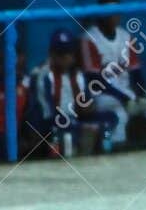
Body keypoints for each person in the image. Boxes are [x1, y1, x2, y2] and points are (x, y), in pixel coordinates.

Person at [82, 0, 146, 143]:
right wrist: (123, 99)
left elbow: (136, 72)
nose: (114, 16)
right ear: (100, 15)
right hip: (103, 95)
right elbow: (94, 79)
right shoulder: (88, 39)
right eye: (109, 12)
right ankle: (117, 154)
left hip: (129, 92)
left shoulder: (126, 37)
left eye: (117, 12)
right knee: (119, 117)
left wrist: (141, 95)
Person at [25, 28, 112, 157]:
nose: (66, 58)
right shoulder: (42, 75)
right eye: (61, 53)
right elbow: (46, 112)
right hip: (50, 124)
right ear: (52, 53)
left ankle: (100, 156)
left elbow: (86, 103)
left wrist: (88, 108)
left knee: (109, 118)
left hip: (74, 119)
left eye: (69, 53)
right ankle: (71, 153)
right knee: (63, 130)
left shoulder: (78, 75)